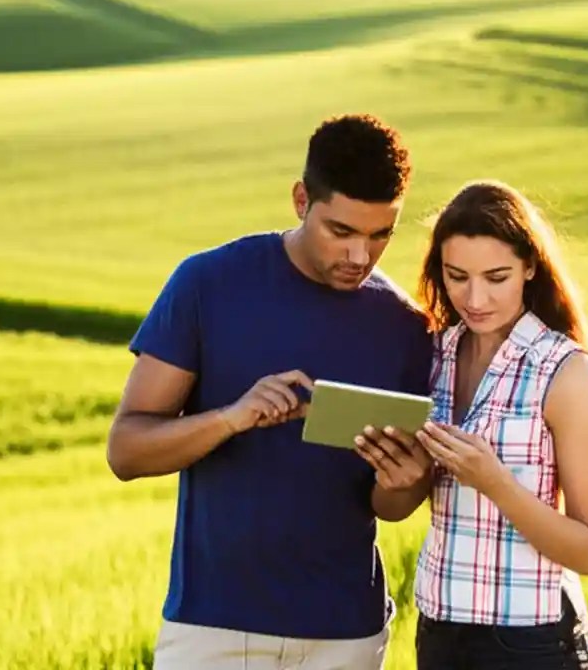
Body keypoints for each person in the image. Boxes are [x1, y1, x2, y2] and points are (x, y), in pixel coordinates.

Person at [106, 114, 435, 670]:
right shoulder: (207, 284)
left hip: (346, 635)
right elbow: (126, 451)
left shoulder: (405, 326)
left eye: (381, 235)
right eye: (342, 232)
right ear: (301, 199)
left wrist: (407, 482)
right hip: (213, 628)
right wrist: (230, 418)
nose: (361, 257)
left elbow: (390, 506)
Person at [353, 180, 588, 670]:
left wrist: (494, 483)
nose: (475, 298)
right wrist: (401, 478)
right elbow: (392, 508)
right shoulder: (434, 357)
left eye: (497, 277)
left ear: (530, 267)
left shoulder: (564, 371)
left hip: (531, 642)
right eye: (457, 277)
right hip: (439, 631)